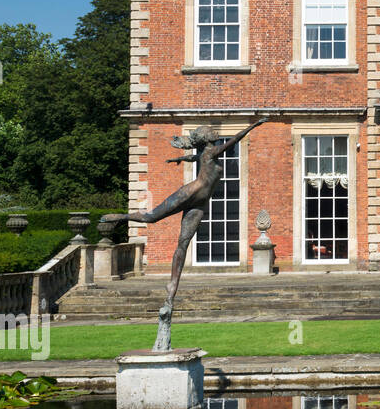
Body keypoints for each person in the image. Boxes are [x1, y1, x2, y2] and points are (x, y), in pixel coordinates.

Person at [100, 117, 267, 350]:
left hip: (200, 203)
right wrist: (256, 123)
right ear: (206, 138)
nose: (214, 132)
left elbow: (194, 157)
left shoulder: (205, 154)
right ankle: (121, 217)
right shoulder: (212, 152)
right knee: (152, 217)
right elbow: (236, 139)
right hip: (191, 193)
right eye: (210, 131)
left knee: (183, 243)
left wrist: (179, 158)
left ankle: (171, 292)